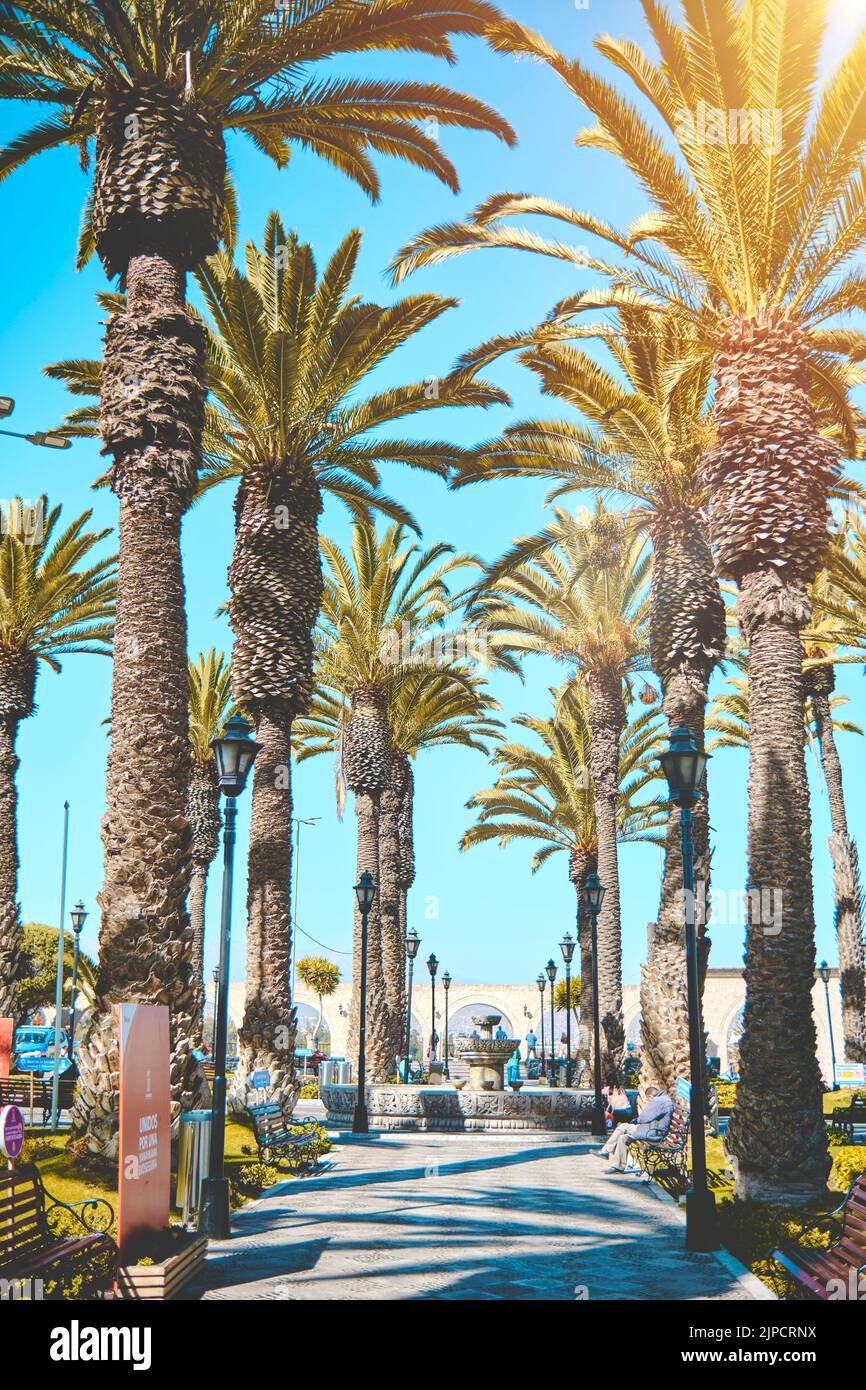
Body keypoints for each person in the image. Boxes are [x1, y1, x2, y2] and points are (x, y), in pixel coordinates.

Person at [599, 1085, 675, 1173]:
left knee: (623, 1127)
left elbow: (644, 1118)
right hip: (652, 1129)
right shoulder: (663, 1099)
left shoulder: (659, 1101)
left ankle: (606, 1150)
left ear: (650, 1096)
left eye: (648, 1099)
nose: (649, 1101)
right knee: (623, 1138)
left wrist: (636, 1121)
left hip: (652, 1132)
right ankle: (618, 1166)